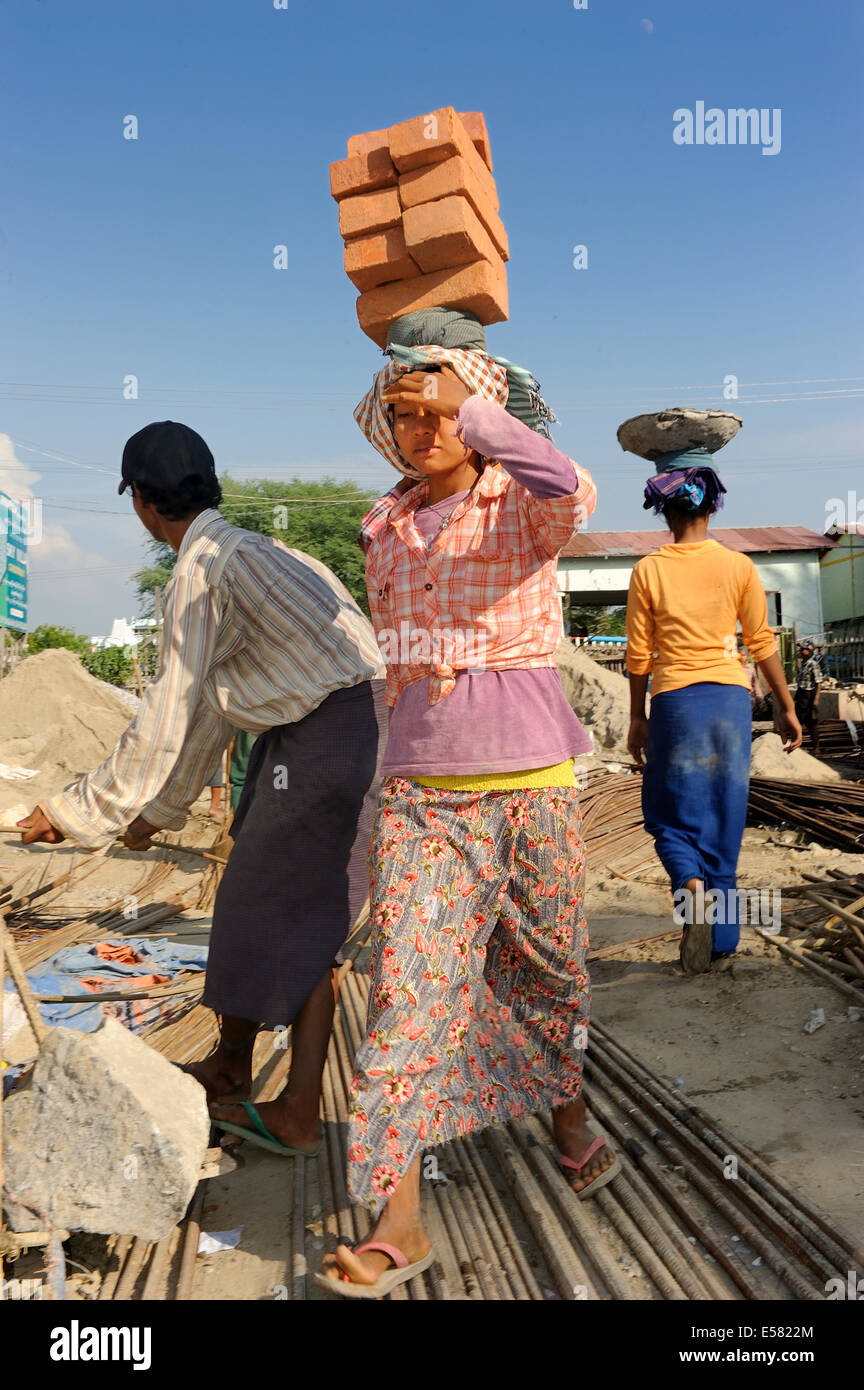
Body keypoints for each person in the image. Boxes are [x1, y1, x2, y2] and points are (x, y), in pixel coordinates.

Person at [318, 316, 608, 1298]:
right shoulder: (381, 525)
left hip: (532, 790)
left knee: (548, 970)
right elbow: (390, 670)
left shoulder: (519, 502)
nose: (421, 422)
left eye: (438, 405)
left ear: (476, 410)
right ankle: (399, 1216)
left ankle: (565, 1109)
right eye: (403, 410)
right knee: (408, 996)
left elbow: (577, 487)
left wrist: (472, 407)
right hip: (422, 802)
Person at [20, 421, 386, 1155]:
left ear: (143, 505)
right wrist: (154, 812)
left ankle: (298, 1113)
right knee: (254, 895)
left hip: (332, 737)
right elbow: (215, 709)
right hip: (340, 730)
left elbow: (167, 710)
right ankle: (229, 1066)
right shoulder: (264, 553)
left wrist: (77, 811)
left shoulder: (201, 568)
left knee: (303, 916)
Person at [625, 455, 802, 976]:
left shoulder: (648, 569)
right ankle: (721, 944)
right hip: (729, 702)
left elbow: (639, 656)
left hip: (676, 702)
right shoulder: (739, 566)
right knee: (723, 821)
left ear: (665, 512)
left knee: (668, 817)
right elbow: (761, 641)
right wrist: (787, 707)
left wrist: (638, 718)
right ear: (712, 507)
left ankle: (690, 887)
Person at [794, 642, 823, 756]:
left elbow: (818, 683)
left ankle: (816, 748)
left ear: (809, 651)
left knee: (811, 722)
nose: (801, 651)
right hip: (801, 694)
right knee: (798, 720)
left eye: (803, 649)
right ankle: (797, 744)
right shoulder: (803, 664)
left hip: (809, 695)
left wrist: (816, 699)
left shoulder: (813, 664)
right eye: (801, 649)